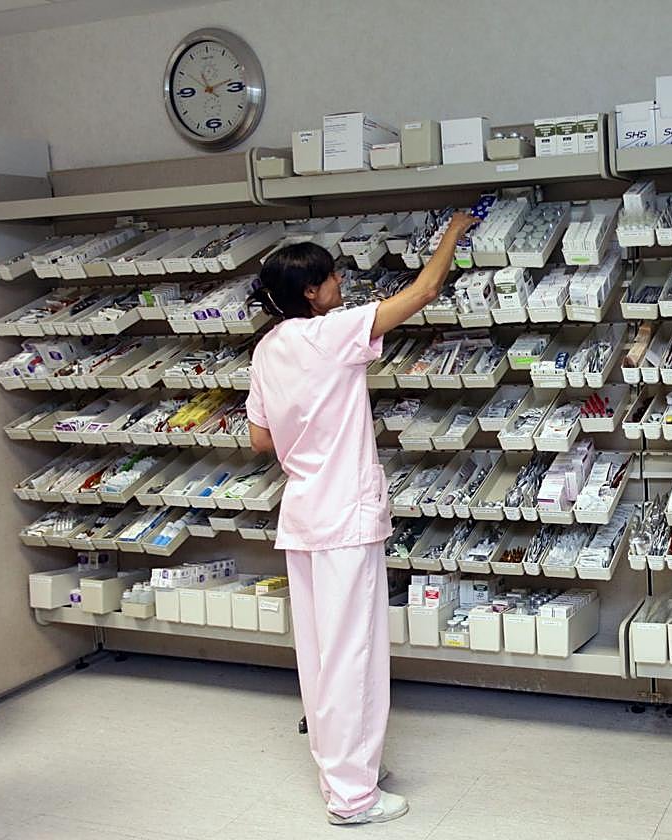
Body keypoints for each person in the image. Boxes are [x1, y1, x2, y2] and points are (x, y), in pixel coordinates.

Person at [244, 211, 478, 826]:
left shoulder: (267, 350)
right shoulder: (332, 333)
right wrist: (453, 232)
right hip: (345, 515)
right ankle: (353, 798)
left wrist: (309, 433)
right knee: (354, 653)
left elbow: (260, 441)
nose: (340, 284)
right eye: (331, 278)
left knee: (320, 654)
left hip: (302, 515)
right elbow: (424, 292)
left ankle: (345, 768)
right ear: (310, 293)